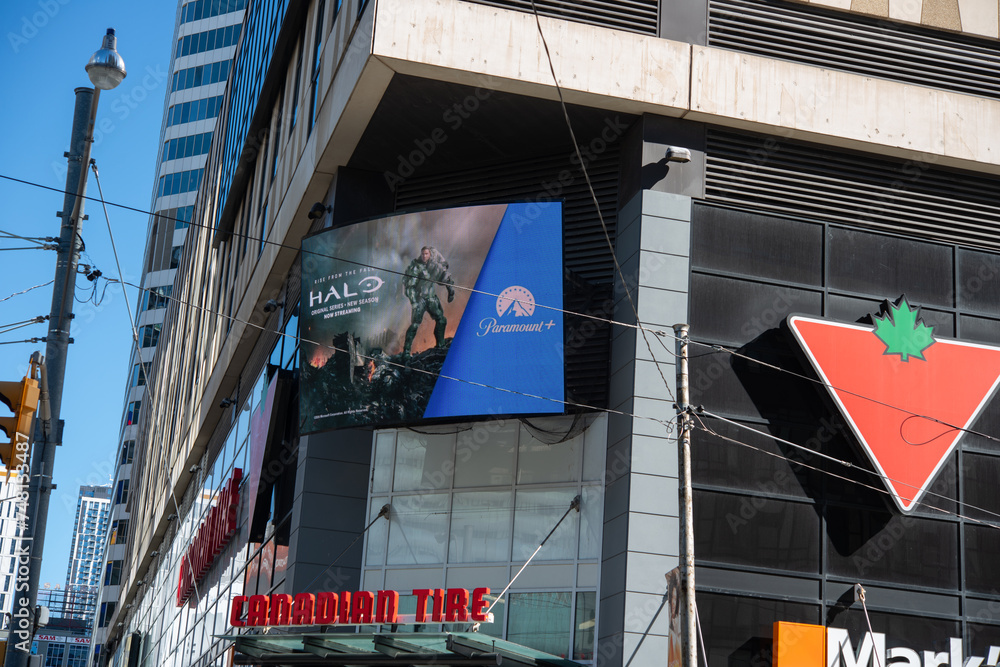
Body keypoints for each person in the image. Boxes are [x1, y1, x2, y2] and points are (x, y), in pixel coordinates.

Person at [402, 246, 455, 358]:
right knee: (415, 324)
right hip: (420, 299)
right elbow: (409, 287)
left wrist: (450, 291)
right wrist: (414, 302)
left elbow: (444, 278)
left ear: (430, 254)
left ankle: (440, 345)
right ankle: (406, 351)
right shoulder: (416, 267)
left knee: (441, 320)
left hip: (431, 298)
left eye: (426, 254)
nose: (424, 256)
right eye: (423, 254)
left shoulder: (434, 266)